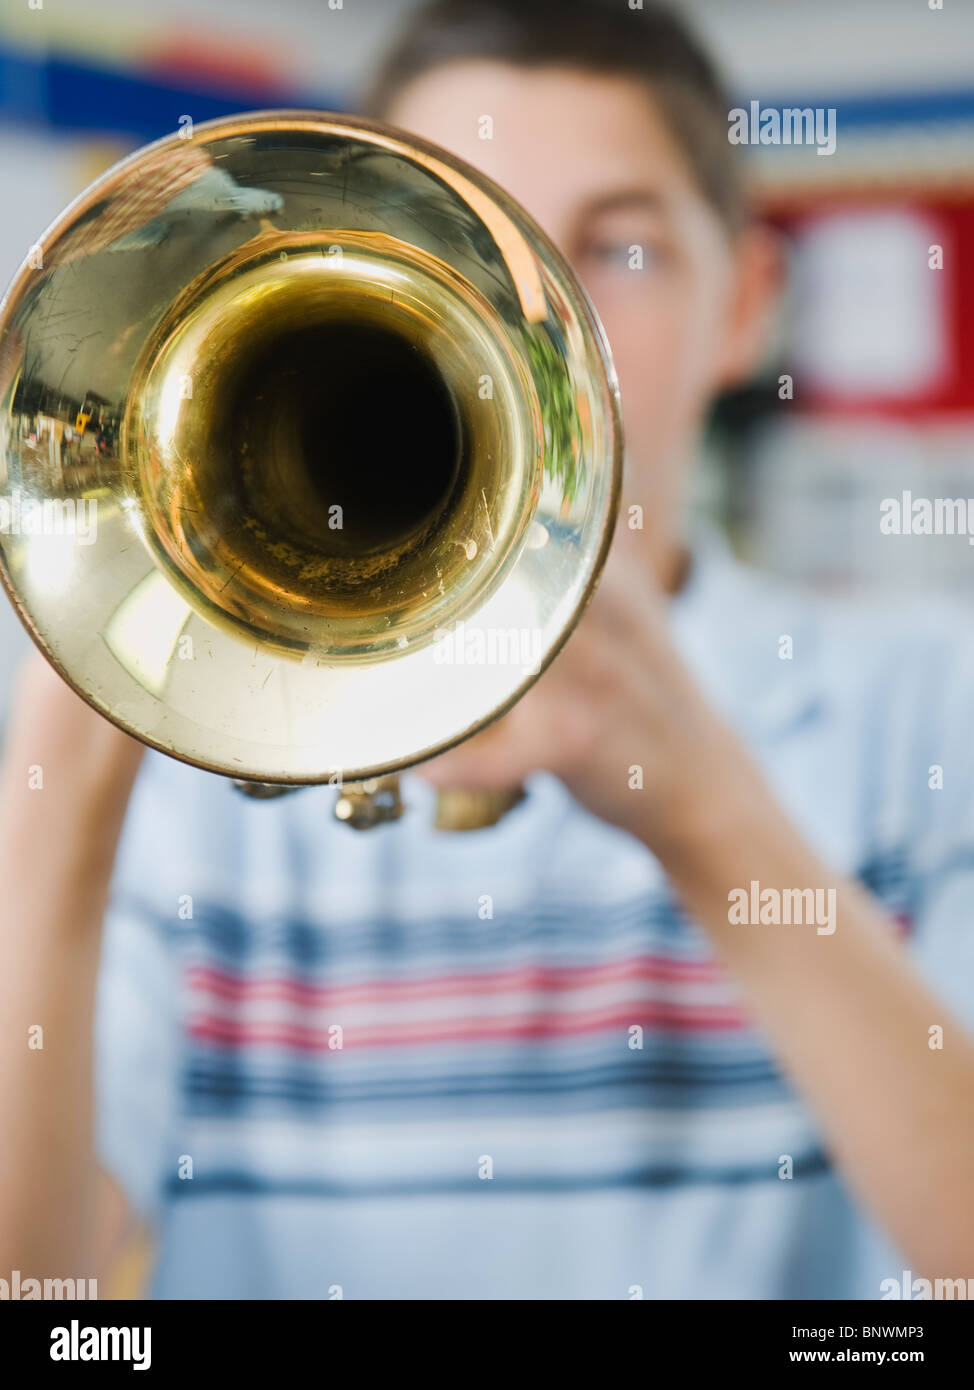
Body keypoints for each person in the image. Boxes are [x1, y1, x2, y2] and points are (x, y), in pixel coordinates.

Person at [2, 0, 973, 1301]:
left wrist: (707, 816)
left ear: (744, 305)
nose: (541, 318)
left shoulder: (924, 702)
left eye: (617, 250)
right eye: (473, 234)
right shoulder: (188, 778)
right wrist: (69, 749)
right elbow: (35, 1292)